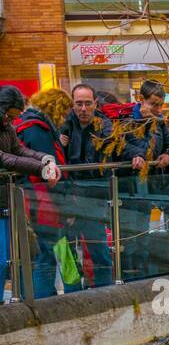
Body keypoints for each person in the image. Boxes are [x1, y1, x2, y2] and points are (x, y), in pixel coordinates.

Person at [115, 80, 169, 282]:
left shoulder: (159, 121)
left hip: (153, 186)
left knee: (145, 234)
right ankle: (130, 278)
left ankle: (147, 275)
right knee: (131, 235)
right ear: (140, 99)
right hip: (131, 188)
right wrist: (148, 127)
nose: (157, 109)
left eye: (160, 105)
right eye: (153, 104)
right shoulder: (126, 120)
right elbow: (134, 148)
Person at [14, 88, 72, 297]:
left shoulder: (25, 124)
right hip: (44, 199)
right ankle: (53, 297)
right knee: (53, 250)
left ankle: (43, 297)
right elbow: (48, 166)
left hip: (33, 197)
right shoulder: (38, 129)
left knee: (46, 251)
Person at [0, 86, 57, 297]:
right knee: (2, 258)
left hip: (7, 200)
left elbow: (18, 150)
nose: (10, 119)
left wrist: (43, 157)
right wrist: (40, 168)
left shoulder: (7, 127)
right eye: (8, 114)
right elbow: (5, 159)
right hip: (4, 199)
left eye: (14, 116)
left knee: (12, 255)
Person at [59, 83, 113, 288]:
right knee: (65, 248)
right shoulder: (63, 124)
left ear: (95, 104)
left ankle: (105, 293)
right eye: (79, 103)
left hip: (93, 197)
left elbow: (117, 146)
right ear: (72, 104)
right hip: (66, 195)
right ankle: (73, 295)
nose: (83, 108)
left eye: (87, 104)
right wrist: (59, 143)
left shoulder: (103, 125)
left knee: (99, 250)